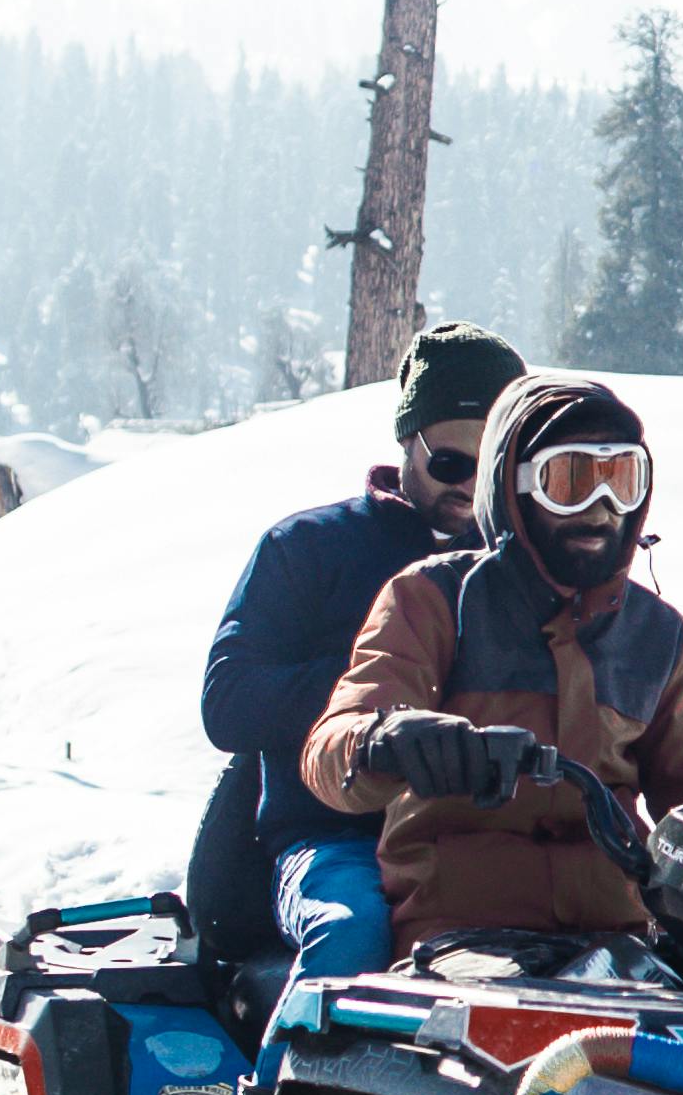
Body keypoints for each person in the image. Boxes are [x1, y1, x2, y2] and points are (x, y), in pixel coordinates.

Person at [301, 372, 683, 952]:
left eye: (621, 480)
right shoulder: (435, 600)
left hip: (619, 943)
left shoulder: (658, 636)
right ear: (514, 487)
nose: (601, 507)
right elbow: (331, 749)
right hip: (467, 943)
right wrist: (388, 739)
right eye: (571, 481)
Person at [201, 321, 524, 977]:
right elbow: (228, 701)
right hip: (338, 842)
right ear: (409, 441)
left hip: (491, 846)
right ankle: (288, 1081)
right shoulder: (310, 547)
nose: (469, 487)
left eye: (490, 467)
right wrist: (379, 701)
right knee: (354, 933)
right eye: (450, 464)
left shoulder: (534, 566)